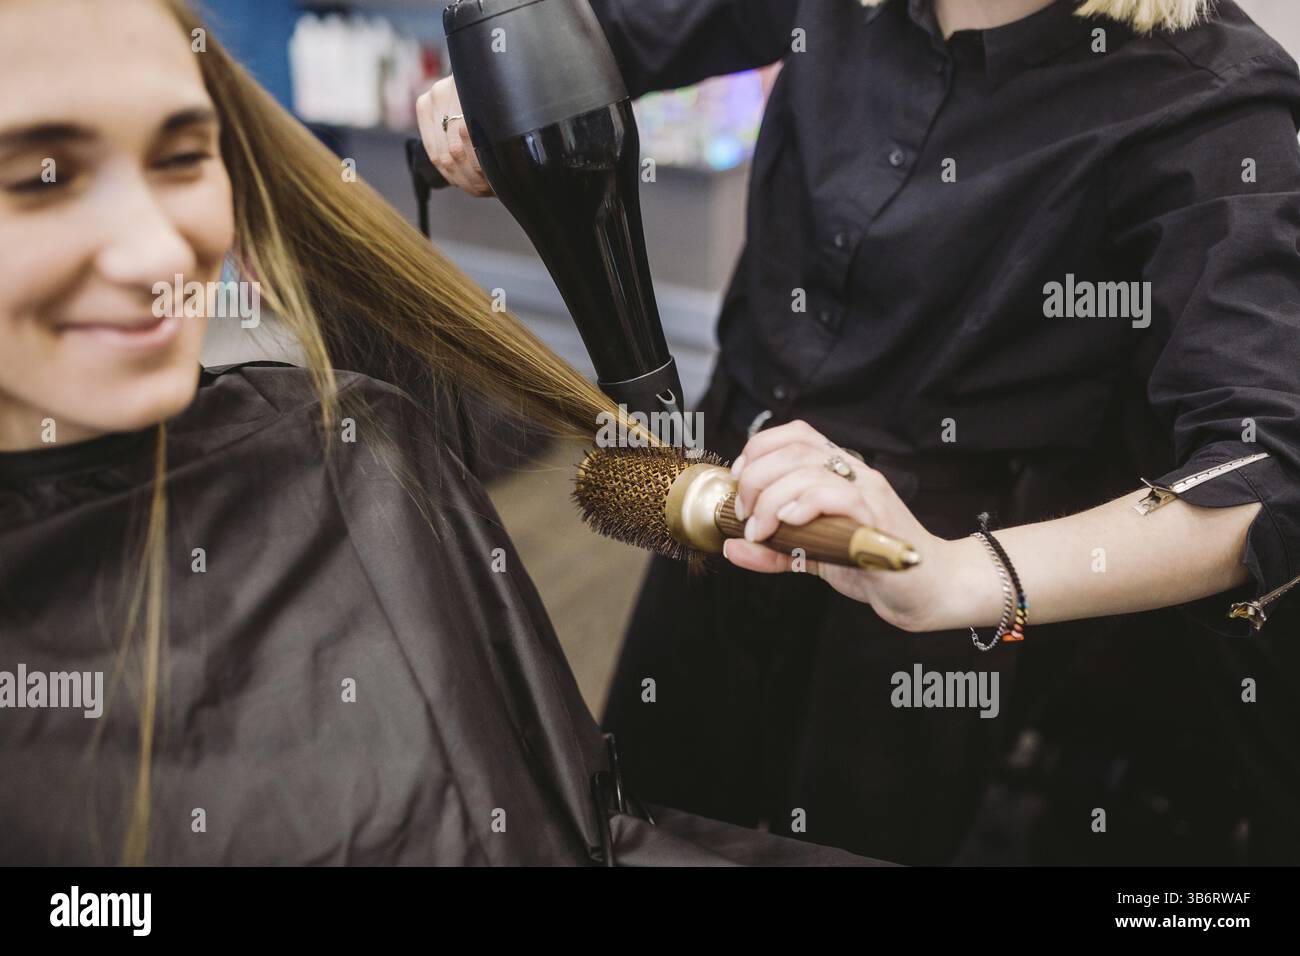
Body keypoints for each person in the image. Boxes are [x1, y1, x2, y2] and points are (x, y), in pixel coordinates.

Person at [0, 0, 880, 867]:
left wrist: (971, 580)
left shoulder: (359, 441)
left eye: (184, 155)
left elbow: (577, 822)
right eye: (41, 174)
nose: (157, 253)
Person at [421, 0, 1300, 864]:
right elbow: (603, 34)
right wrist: (493, 77)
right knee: (645, 811)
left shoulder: (1213, 100)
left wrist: (960, 575)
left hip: (927, 580)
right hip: (723, 499)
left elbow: (1264, 477)